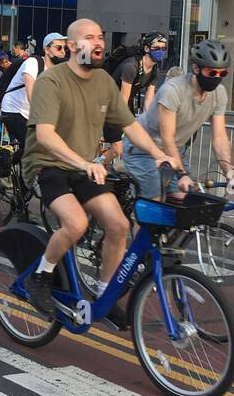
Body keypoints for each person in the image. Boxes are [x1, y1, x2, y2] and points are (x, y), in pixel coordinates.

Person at [20, 18, 181, 328]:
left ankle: (105, 295)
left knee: (119, 225)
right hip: (48, 164)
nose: (98, 43)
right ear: (71, 46)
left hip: (85, 166)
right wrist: (84, 163)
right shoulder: (51, 81)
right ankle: (41, 275)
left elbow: (131, 126)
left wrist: (160, 154)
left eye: (100, 37)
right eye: (89, 37)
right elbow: (44, 136)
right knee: (77, 223)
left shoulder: (104, 82)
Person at [123, 38, 234, 200]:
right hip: (143, 149)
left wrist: (231, 174)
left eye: (222, 73)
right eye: (211, 73)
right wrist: (182, 174)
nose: (217, 77)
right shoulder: (173, 90)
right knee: (154, 203)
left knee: (184, 199)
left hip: (175, 149)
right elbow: (167, 137)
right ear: (196, 68)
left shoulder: (219, 94)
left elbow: (219, 138)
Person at [0, 32, 67, 152]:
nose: (63, 51)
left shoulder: (57, 73)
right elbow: (31, 93)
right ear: (46, 49)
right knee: (36, 146)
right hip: (13, 110)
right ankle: (5, 167)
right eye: (58, 47)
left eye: (64, 48)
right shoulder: (33, 63)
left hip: (29, 114)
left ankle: (18, 164)